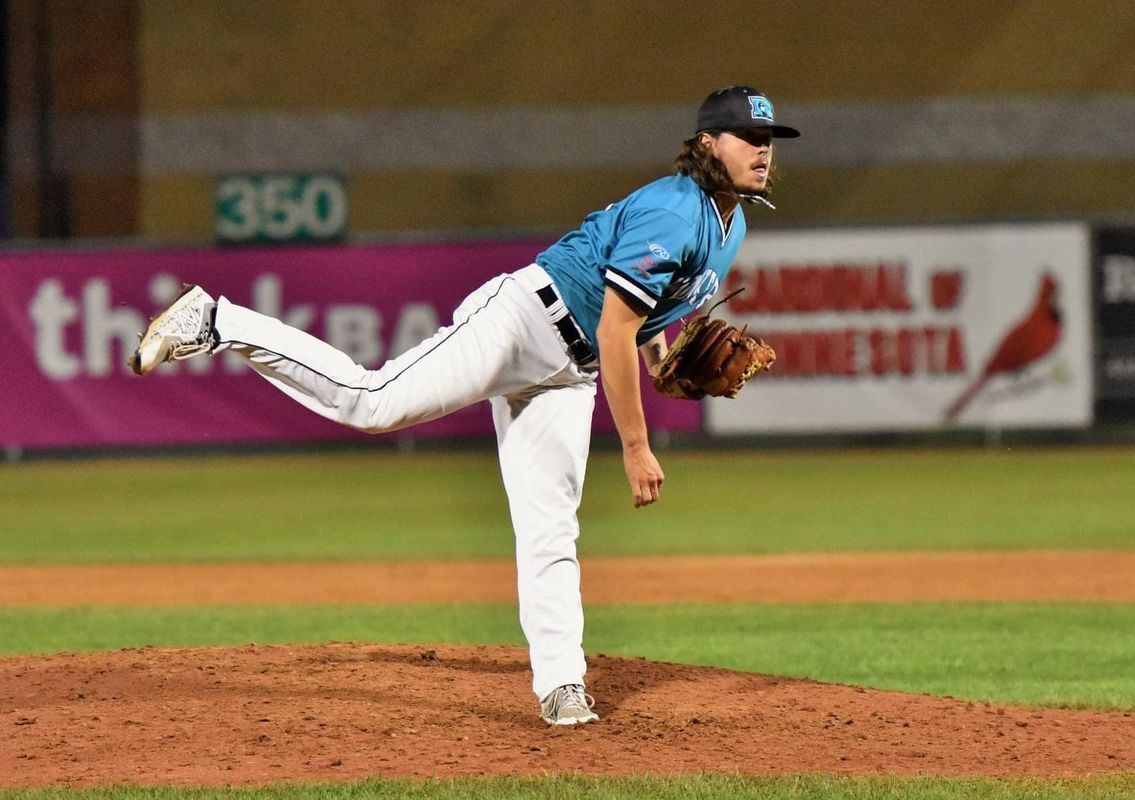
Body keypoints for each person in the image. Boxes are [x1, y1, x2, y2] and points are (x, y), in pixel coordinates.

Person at [129, 85, 800, 726]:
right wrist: (635, 445)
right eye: (749, 136)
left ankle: (562, 682)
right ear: (709, 143)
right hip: (524, 321)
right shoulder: (675, 210)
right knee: (374, 402)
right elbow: (615, 327)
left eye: (769, 138)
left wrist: (662, 365)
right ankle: (219, 321)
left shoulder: (728, 224)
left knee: (550, 528)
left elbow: (643, 324)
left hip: (569, 373)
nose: (763, 149)